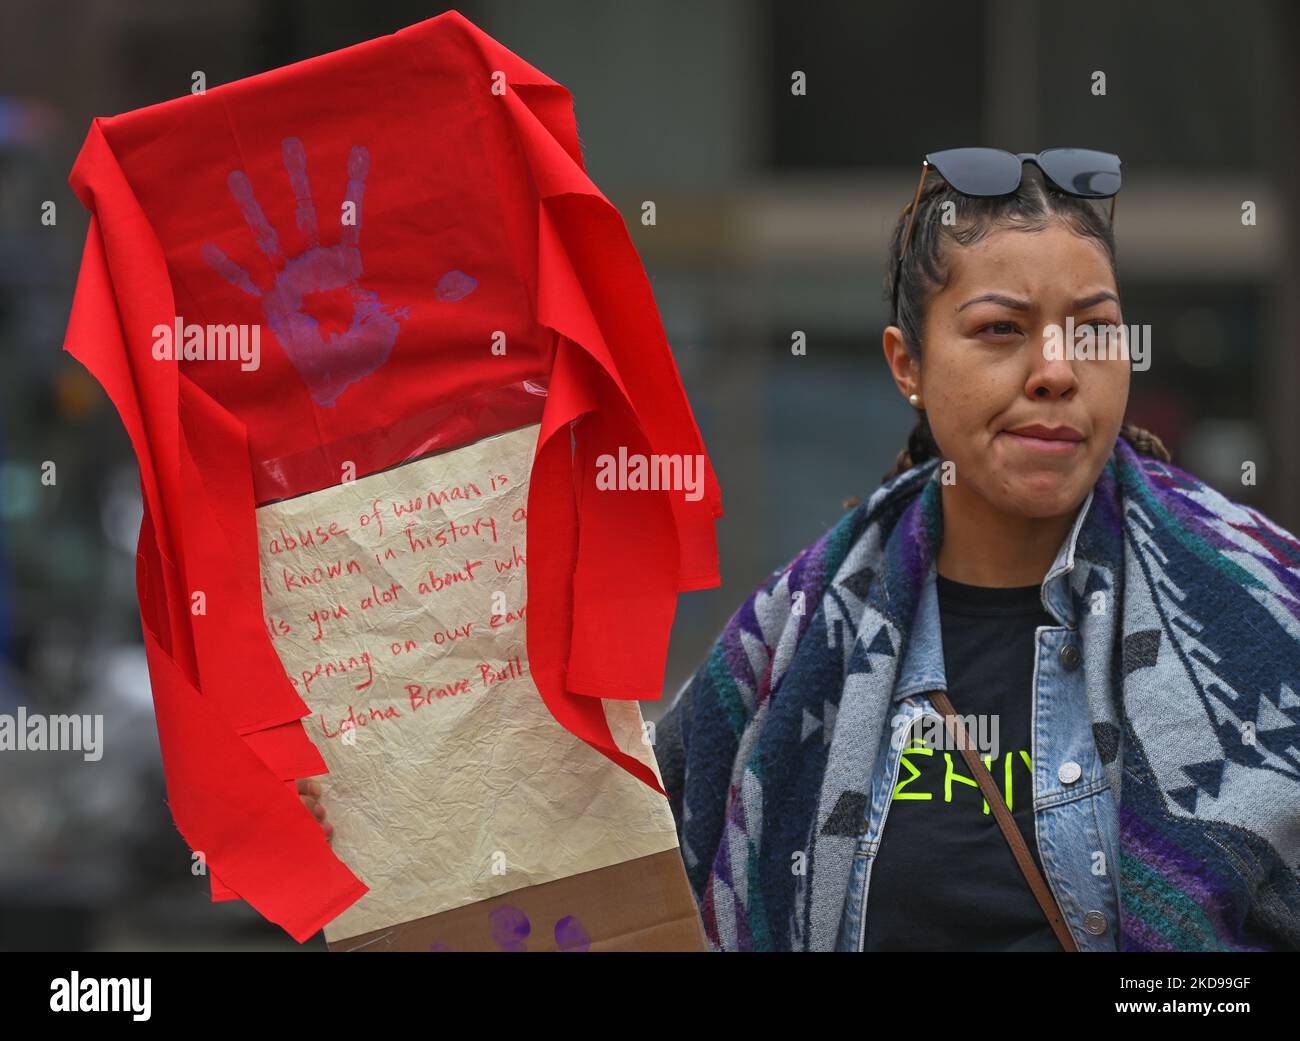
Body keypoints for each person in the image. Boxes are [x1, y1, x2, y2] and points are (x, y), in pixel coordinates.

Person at [654, 152, 1300, 952]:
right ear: (907, 365)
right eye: (1002, 329)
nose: (1058, 372)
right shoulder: (792, 639)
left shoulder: (1270, 608)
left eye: (1094, 331)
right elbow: (630, 882)